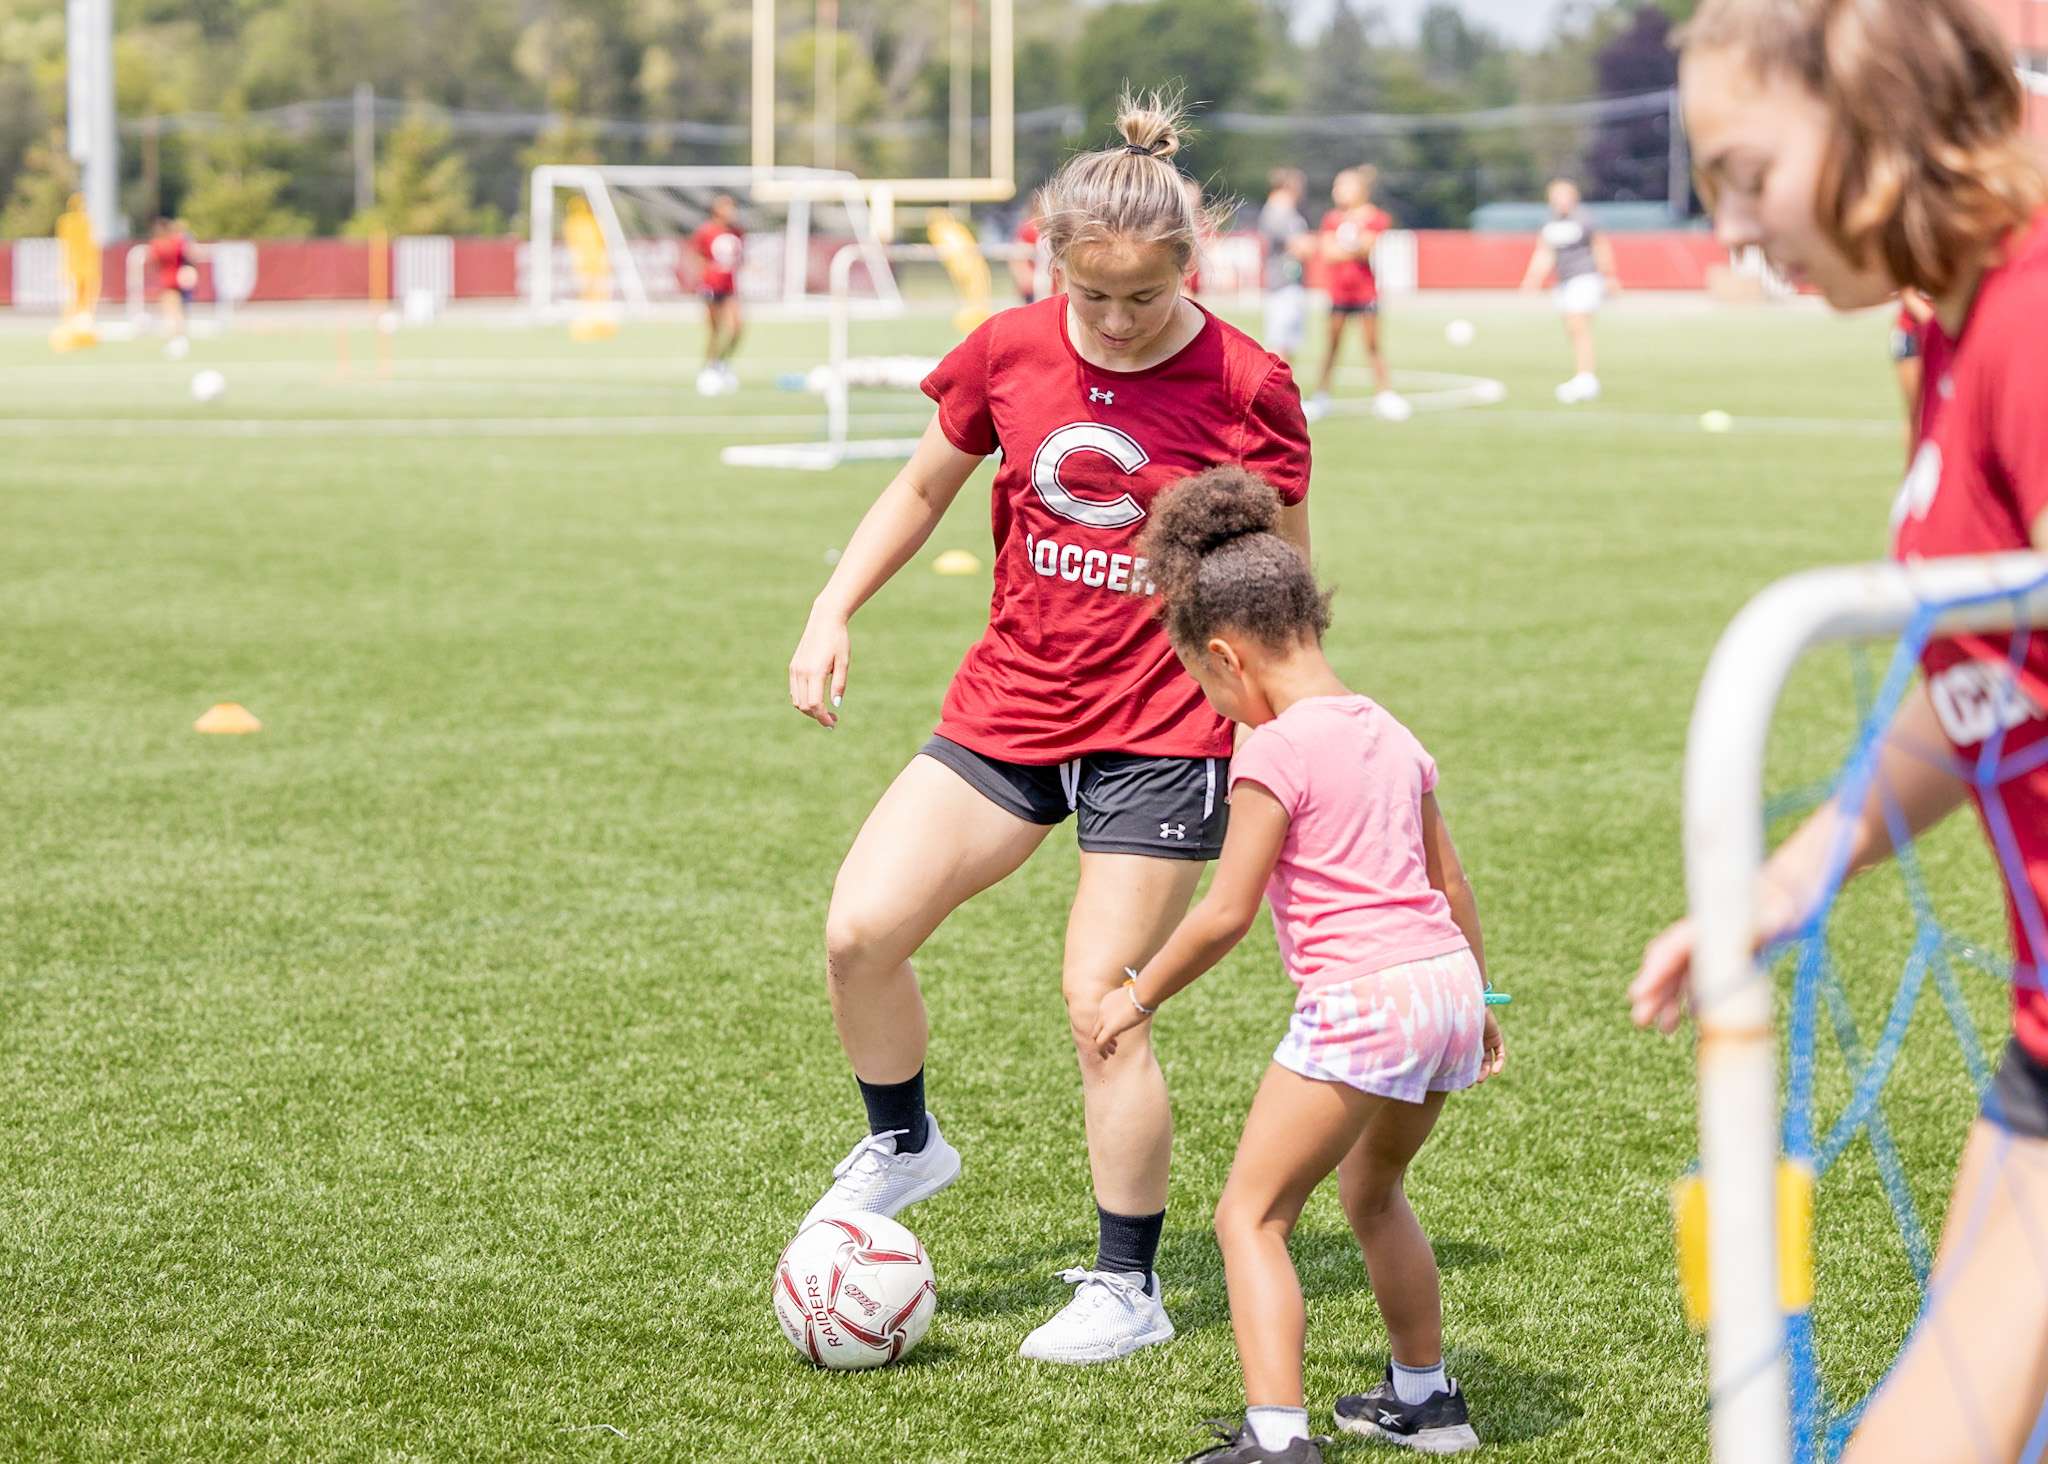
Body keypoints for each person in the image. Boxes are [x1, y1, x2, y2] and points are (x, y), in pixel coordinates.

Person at [786, 90, 1313, 1365]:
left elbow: (1282, 578)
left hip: (1165, 724)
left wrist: (1293, 730)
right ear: (1052, 262)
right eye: (1093, 300)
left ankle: (1126, 1286)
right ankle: (904, 1140)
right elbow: (921, 484)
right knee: (859, 930)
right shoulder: (1007, 349)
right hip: (1012, 700)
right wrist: (831, 607)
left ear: (1188, 267)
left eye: (1142, 298)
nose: (1118, 323)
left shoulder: (1249, 382)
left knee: (1101, 1004)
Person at [1628, 2, 2048, 1458]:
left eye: (1747, 170)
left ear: (1880, 110)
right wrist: (1803, 866)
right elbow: (1994, 680)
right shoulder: (1955, 326)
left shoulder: (2040, 318)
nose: (1735, 227)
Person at [1092, 468, 1503, 1462]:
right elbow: (1451, 888)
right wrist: (1481, 1003)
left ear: (1227, 658)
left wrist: (1133, 993)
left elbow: (1226, 911)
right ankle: (1423, 1401)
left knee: (1252, 1216)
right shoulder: (1391, 735)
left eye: (1201, 684)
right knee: (1371, 1195)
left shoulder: (1270, 753)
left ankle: (1275, 1442)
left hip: (1362, 1000)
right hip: (1443, 987)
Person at [1308, 166, 1405, 423]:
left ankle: (1384, 395)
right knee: (1332, 346)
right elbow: (1329, 253)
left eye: (1342, 186)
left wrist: (1346, 246)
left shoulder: (1375, 216)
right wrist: (1351, 245)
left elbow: (1366, 247)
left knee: (1373, 346)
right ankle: (1321, 396)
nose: (1336, 191)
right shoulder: (1331, 218)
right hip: (1339, 293)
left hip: (1365, 292)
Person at [1518, 179, 1620, 405]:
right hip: (1563, 282)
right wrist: (1532, 279)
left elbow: (1600, 246)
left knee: (1578, 325)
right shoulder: (1549, 222)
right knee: (1572, 329)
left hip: (1585, 277)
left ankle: (1586, 379)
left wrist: (1610, 275)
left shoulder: (1584, 219)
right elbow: (1544, 252)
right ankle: (1582, 374)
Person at [1259, 169, 1315, 365]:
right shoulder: (1278, 211)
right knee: (1280, 343)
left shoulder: (1288, 211)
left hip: (1290, 283)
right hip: (1282, 284)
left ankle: (1287, 392)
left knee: (1289, 343)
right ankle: (1277, 394)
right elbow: (1300, 247)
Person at [689, 195, 744, 396]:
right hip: (711, 288)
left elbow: (739, 258)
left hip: (730, 289)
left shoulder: (737, 232)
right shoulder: (706, 232)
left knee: (737, 327)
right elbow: (697, 255)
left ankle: (722, 362)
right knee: (715, 331)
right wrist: (704, 277)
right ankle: (709, 367)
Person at [149, 216, 203, 359]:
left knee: (171, 312)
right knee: (179, 311)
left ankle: (177, 341)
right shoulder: (177, 242)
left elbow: (154, 261)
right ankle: (179, 340)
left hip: (168, 280)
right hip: (179, 279)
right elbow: (190, 254)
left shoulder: (158, 244)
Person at [1889, 288, 1934, 453]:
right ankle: (1915, 472)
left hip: (1953, 328)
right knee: (1918, 412)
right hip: (1913, 331)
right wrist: (1931, 321)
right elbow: (1903, 288)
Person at [1010, 191, 1046, 304]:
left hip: (1040, 283)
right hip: (1035, 284)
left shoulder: (1032, 228)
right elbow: (1018, 259)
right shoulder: (1031, 229)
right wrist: (1026, 280)